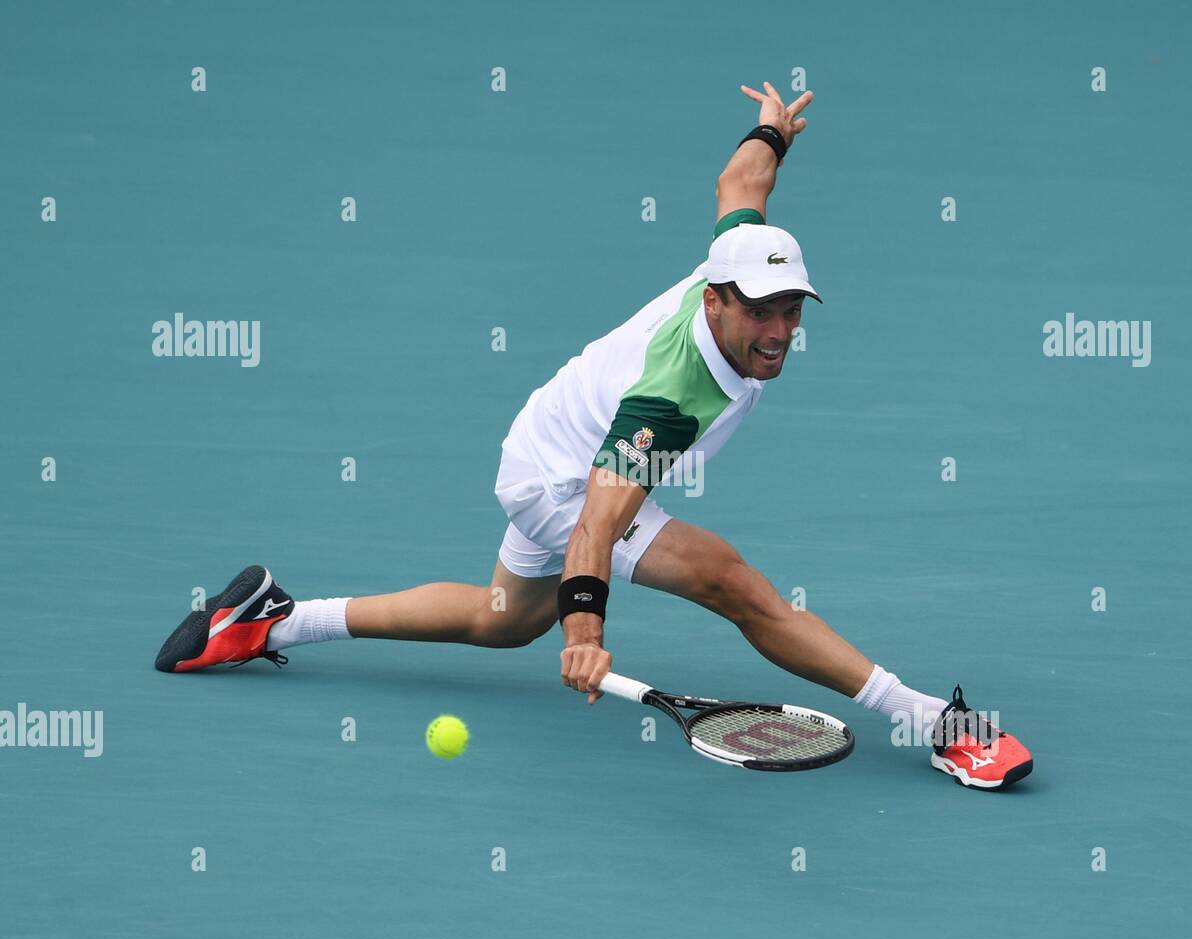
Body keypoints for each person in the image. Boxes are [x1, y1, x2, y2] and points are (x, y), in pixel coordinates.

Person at [155, 81, 1032, 790]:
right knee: (733, 583)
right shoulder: (671, 397)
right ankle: (934, 721)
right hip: (560, 479)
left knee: (500, 622)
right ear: (716, 301)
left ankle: (272, 620)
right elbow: (595, 526)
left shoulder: (740, 253)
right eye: (761, 312)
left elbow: (740, 186)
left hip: (549, 431)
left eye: (792, 312)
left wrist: (771, 131)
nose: (778, 331)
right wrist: (584, 631)